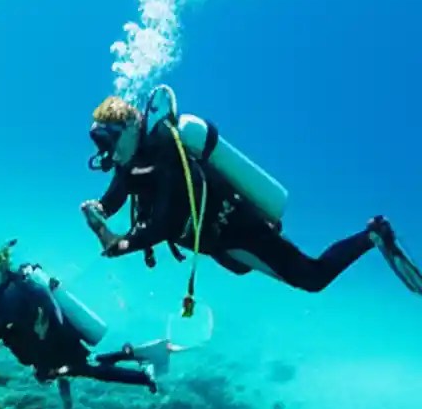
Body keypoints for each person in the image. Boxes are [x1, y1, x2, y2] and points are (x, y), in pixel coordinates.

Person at [82, 87, 422, 313]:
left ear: (130, 125)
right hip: (218, 243)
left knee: (311, 278)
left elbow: (166, 223)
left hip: (236, 228)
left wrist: (121, 244)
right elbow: (116, 195)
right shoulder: (131, 163)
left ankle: (374, 234)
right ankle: (371, 235)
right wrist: (100, 212)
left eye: (107, 140)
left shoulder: (166, 150)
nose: (105, 152)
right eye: (99, 143)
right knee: (242, 269)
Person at [0, 241, 163, 393]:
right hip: (46, 349)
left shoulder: (13, 292)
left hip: (54, 345)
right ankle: (135, 361)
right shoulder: (1, 296)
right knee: (85, 367)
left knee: (88, 368)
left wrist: (46, 332)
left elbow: (44, 308)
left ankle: (142, 370)